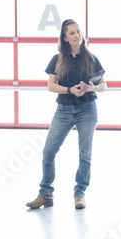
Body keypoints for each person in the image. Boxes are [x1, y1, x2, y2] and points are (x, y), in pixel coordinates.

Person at [26, 19, 106, 211]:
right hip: (63, 111)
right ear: (65, 37)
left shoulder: (91, 58)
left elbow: (103, 86)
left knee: (84, 154)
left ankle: (79, 194)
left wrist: (90, 87)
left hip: (87, 110)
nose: (77, 35)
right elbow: (51, 86)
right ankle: (45, 194)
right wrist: (70, 90)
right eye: (72, 33)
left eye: (78, 31)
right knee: (48, 152)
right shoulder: (58, 59)